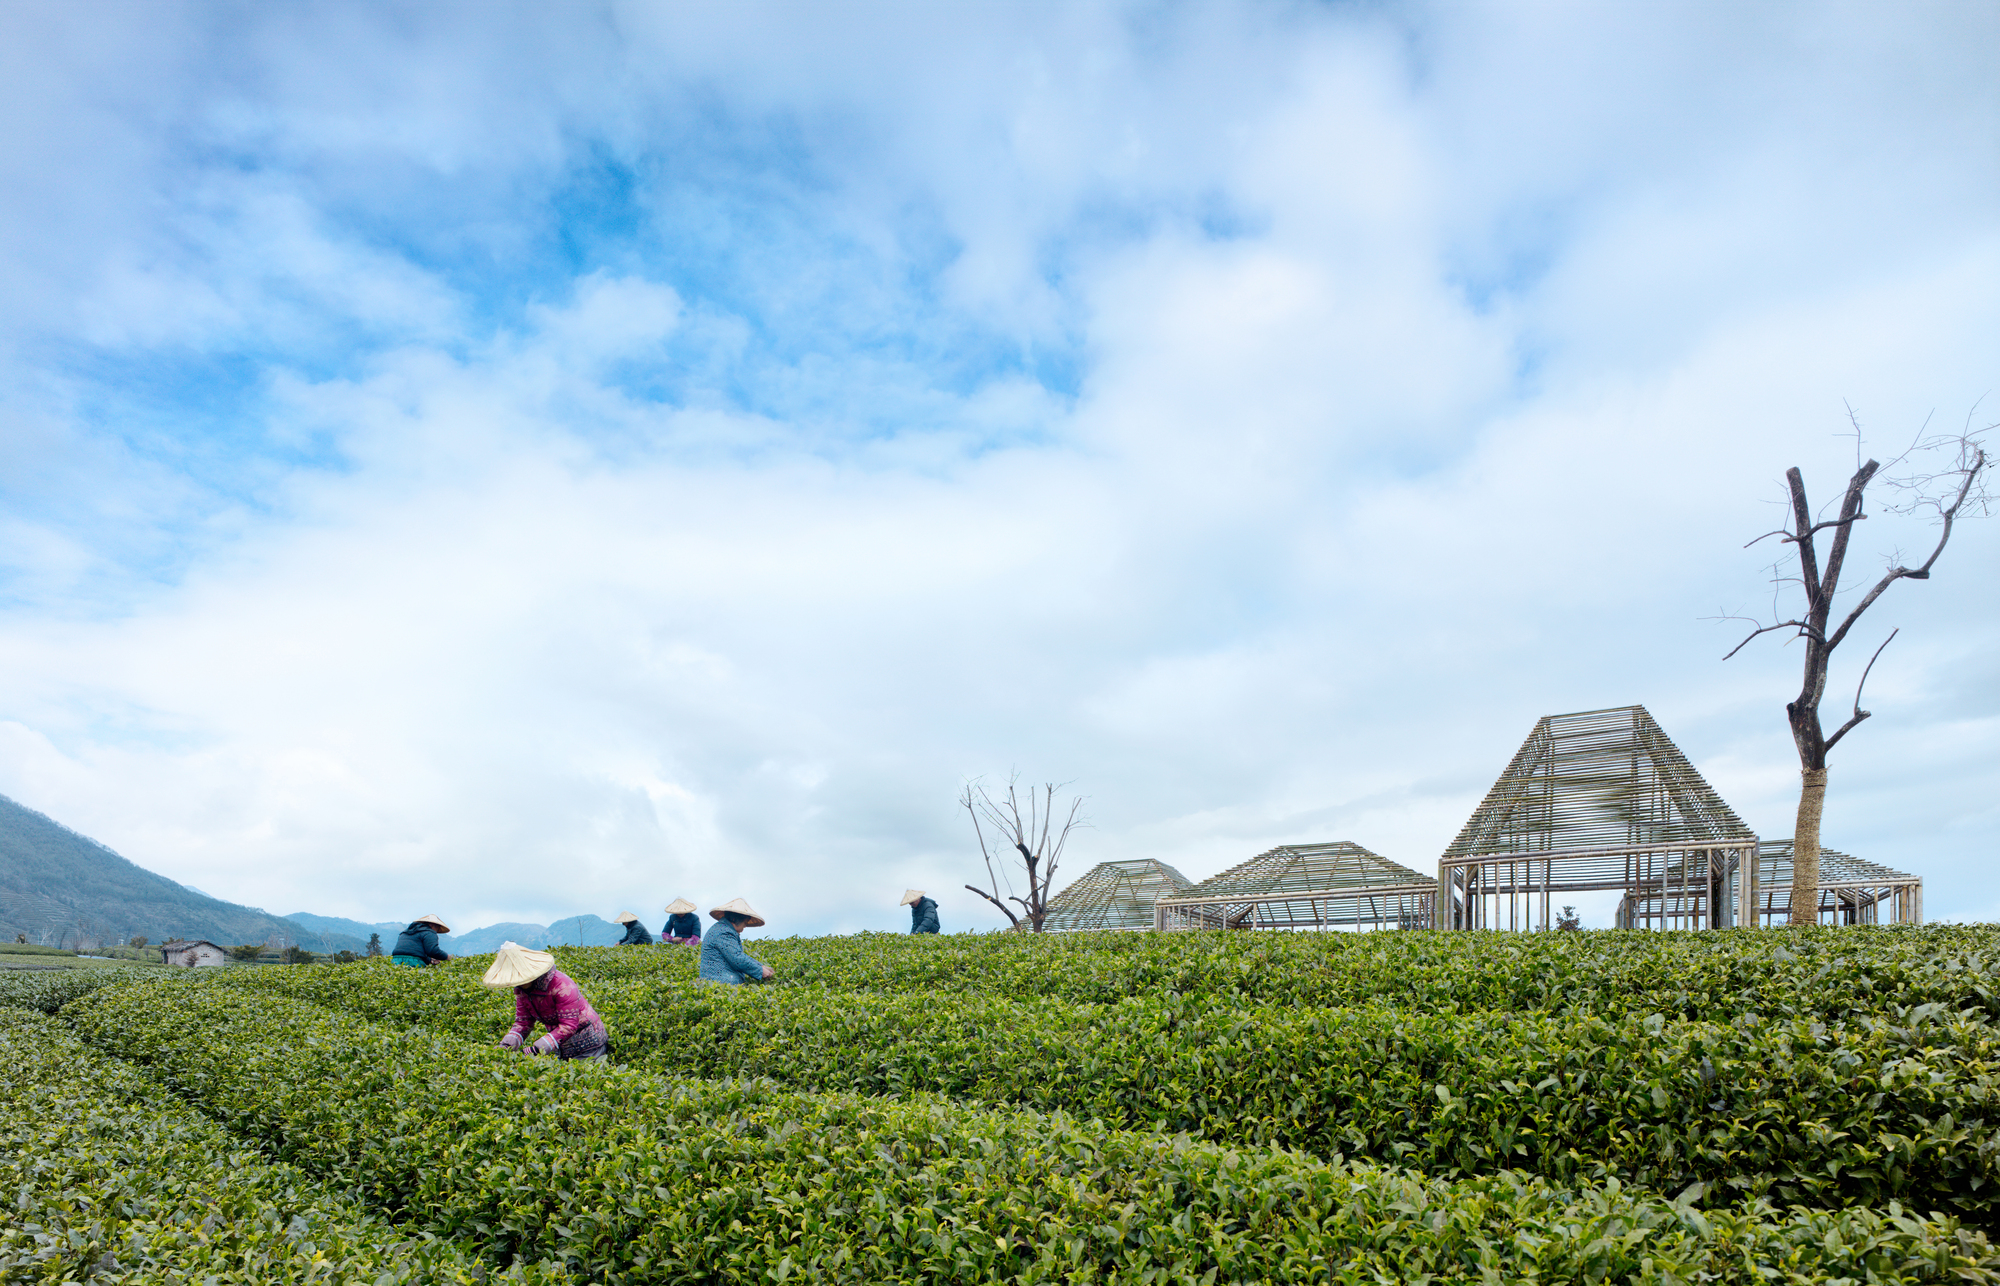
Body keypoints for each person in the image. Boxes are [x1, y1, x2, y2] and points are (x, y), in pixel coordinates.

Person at [484, 941, 609, 1061]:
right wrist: (506, 1046)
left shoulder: (562, 985)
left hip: (589, 1043)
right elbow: (523, 1023)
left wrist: (537, 1049)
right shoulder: (522, 991)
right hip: (562, 1045)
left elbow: (569, 1025)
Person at [698, 898, 774, 985]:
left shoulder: (722, 928)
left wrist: (760, 966)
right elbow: (737, 959)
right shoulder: (724, 933)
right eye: (744, 923)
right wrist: (760, 971)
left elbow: (738, 954)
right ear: (735, 919)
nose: (744, 927)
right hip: (718, 982)